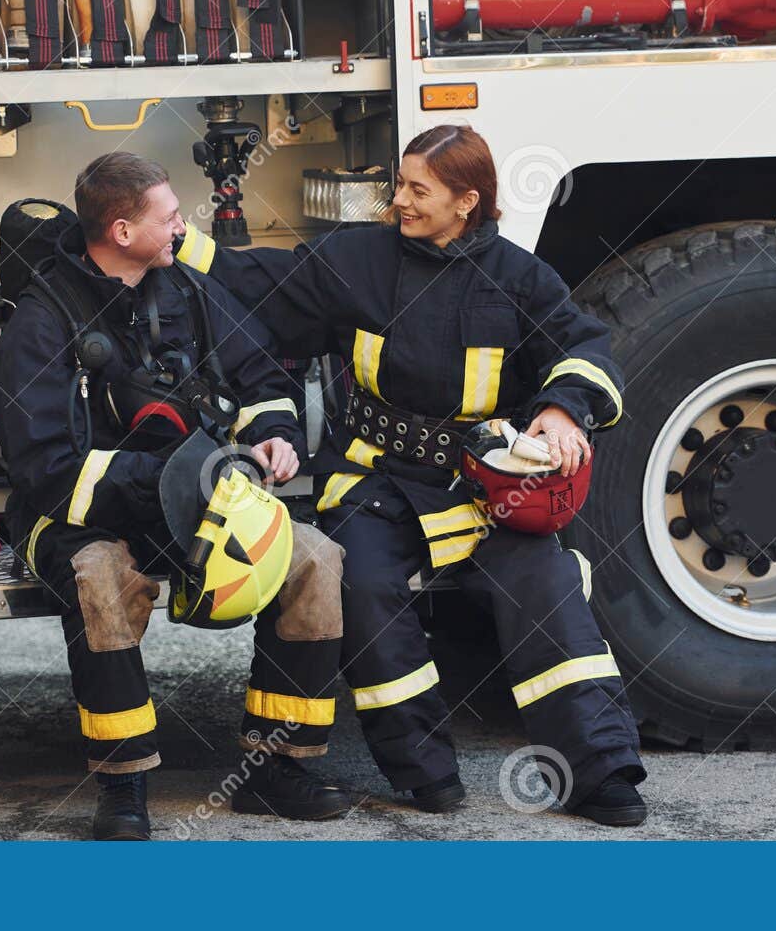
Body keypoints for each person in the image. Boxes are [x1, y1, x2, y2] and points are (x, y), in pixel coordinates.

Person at [176, 125, 648, 826]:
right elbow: (262, 283)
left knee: (548, 587)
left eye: (416, 189)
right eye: (399, 184)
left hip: (486, 490)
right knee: (362, 585)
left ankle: (601, 771)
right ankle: (423, 769)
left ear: (467, 201)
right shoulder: (356, 258)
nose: (398, 200)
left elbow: (585, 346)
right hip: (371, 478)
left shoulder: (521, 278)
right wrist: (175, 241)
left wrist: (562, 411)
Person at [0, 152, 354, 841]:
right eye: (169, 214)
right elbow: (47, 469)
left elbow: (258, 372)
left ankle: (277, 767)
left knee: (315, 558)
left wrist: (271, 433)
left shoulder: (184, 286)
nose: (185, 222)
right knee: (101, 574)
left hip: (201, 500)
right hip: (84, 513)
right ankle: (123, 783)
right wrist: (162, 488)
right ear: (121, 231)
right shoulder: (42, 320)